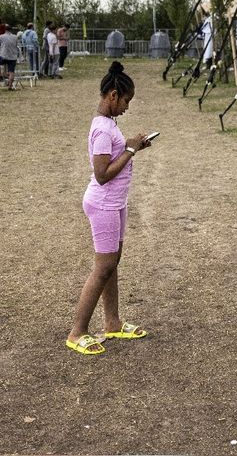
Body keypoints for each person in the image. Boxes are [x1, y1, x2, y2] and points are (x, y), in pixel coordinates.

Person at [66, 61, 152, 355]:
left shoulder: (110, 124)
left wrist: (133, 147)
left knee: (112, 263)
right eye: (126, 101)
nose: (127, 107)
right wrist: (130, 149)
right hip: (103, 203)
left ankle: (112, 323)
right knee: (103, 267)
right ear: (113, 95)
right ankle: (77, 332)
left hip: (116, 204)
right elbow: (102, 175)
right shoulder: (102, 129)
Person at [0, 24, 19, 90]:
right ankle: (10, 86)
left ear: (5, 30)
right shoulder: (15, 37)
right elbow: (16, 45)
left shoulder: (1, 36)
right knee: (11, 72)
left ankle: (1, 76)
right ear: (11, 30)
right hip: (13, 57)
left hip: (4, 56)